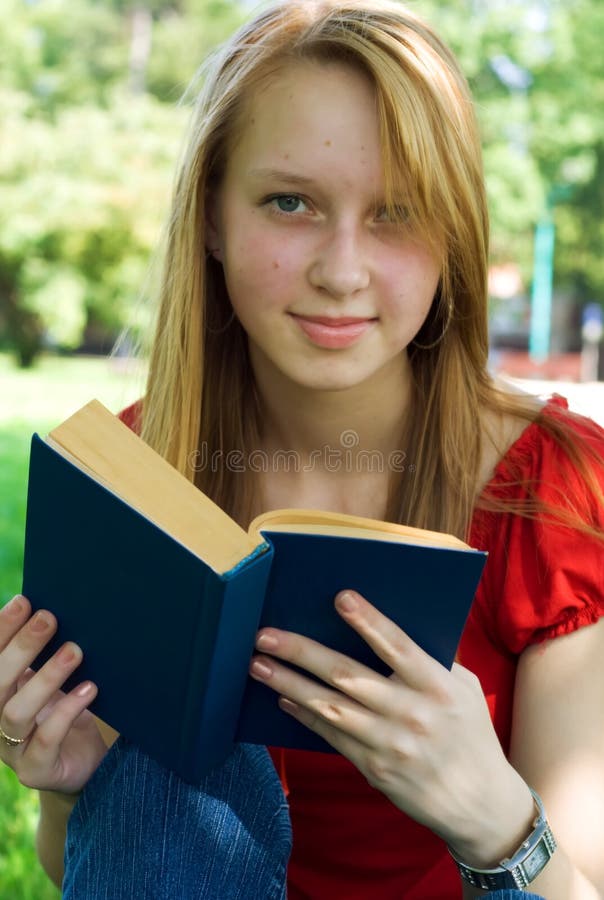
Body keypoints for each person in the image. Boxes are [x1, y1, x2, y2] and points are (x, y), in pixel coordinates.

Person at [1, 0, 603, 897]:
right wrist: (70, 786)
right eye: (291, 203)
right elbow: (107, 864)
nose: (342, 270)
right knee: (160, 781)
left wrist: (490, 814)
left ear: (452, 238)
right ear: (210, 216)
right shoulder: (133, 471)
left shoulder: (557, 484)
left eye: (397, 213)